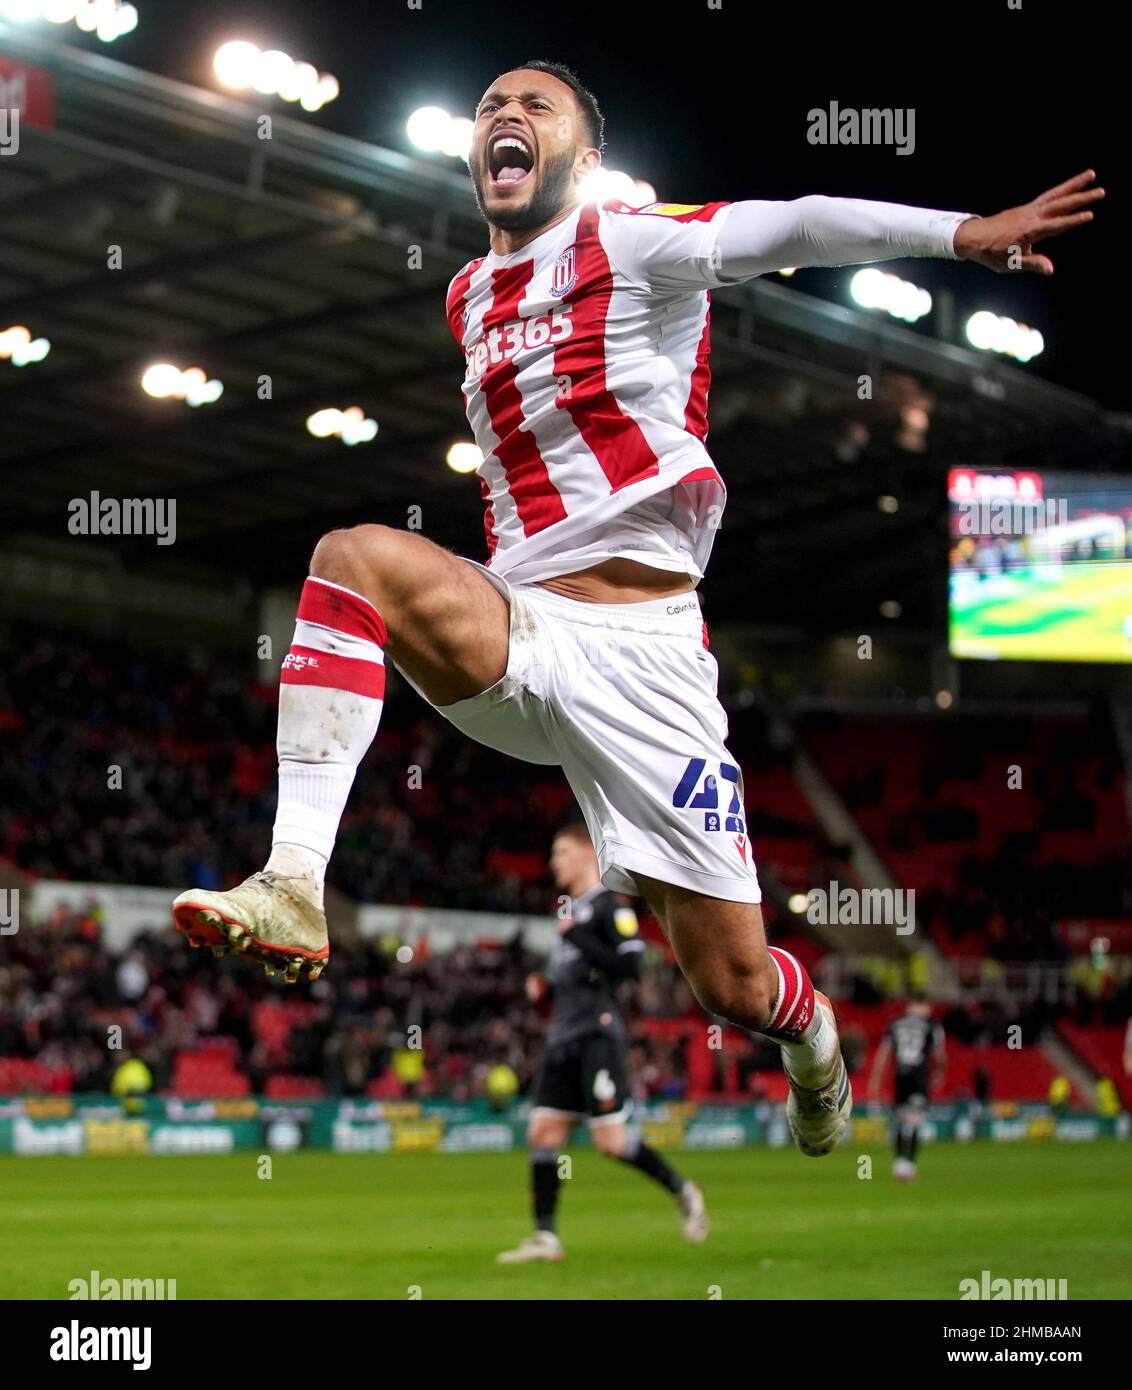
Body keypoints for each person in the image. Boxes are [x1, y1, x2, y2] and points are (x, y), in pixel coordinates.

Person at [172, 59, 1101, 1161]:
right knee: (349, 559)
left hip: (645, 659)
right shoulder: (467, 293)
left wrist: (960, 235)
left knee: (731, 986)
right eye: (487, 109)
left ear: (587, 155)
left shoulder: (634, 239)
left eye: (535, 107)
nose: (503, 120)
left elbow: (792, 223)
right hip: (523, 628)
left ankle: (811, 1040)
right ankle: (291, 882)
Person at [497, 823, 705, 1263]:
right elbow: (577, 974)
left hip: (597, 1035)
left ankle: (683, 1190)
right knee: (543, 1132)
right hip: (563, 1037)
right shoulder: (569, 912)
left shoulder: (612, 906)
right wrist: (545, 988)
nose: (554, 862)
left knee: (611, 1142)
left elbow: (631, 965)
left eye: (561, 852)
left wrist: (579, 937)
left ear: (587, 854)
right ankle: (546, 1237)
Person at [868, 998, 946, 1180]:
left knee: (901, 1120)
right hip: (919, 1076)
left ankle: (899, 1163)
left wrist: (876, 1079)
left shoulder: (895, 1023)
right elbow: (939, 1054)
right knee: (915, 1120)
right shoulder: (931, 1025)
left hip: (900, 1076)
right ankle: (909, 1164)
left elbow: (884, 1053)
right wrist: (941, 1071)